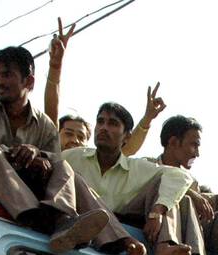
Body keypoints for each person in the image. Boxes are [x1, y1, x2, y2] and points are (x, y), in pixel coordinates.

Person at [65, 104, 218, 255]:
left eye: (112, 124)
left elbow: (179, 177)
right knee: (179, 194)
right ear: (173, 142)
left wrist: (160, 209)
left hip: (144, 225)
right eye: (100, 122)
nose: (103, 128)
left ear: (126, 136)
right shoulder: (76, 157)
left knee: (188, 199)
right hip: (110, 225)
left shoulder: (138, 168)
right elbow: (49, 161)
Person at [0, 49, 137, 255]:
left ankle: (92, 231)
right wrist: (12, 154)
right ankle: (36, 218)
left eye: (7, 75)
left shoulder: (45, 124)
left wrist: (38, 155)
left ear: (29, 81)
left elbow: (55, 164)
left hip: (34, 191)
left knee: (65, 167)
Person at [42, 19, 160, 157]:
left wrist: (147, 118)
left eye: (81, 137)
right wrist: (55, 67)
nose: (74, 140)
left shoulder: (91, 162)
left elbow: (127, 149)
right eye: (68, 134)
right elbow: (51, 111)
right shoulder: (53, 155)